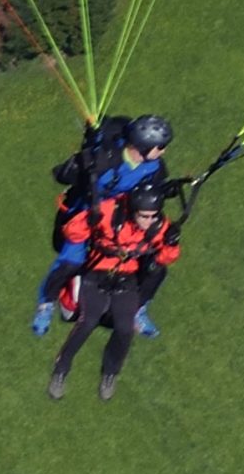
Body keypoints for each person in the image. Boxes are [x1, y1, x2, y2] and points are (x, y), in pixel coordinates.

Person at [31, 115, 175, 335]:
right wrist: (81, 162)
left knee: (153, 266)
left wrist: (166, 191)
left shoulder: (154, 168)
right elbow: (61, 175)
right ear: (144, 147)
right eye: (160, 147)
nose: (163, 151)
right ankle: (45, 305)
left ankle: (139, 309)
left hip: (119, 222)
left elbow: (150, 195)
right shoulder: (105, 158)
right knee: (71, 262)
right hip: (84, 217)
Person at [47, 182, 177, 400]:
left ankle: (110, 373)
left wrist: (172, 244)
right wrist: (89, 219)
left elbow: (165, 259)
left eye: (153, 216)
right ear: (132, 210)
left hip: (125, 279)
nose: (148, 221)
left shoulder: (158, 226)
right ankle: (61, 369)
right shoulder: (108, 211)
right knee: (87, 322)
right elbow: (72, 233)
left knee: (125, 328)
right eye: (144, 216)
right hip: (96, 272)